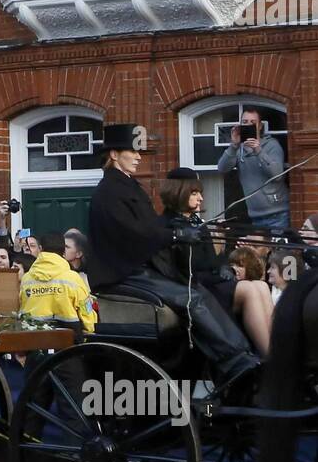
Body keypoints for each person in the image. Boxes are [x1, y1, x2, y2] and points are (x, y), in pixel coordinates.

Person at [87, 123, 260, 390]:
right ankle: (234, 359)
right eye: (132, 151)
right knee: (191, 297)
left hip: (136, 267)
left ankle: (240, 355)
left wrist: (179, 232)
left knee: (196, 290)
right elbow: (137, 234)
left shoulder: (127, 186)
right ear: (113, 155)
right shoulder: (109, 191)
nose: (138, 157)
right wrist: (176, 235)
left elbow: (149, 229)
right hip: (122, 273)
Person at [159, 168, 273, 356]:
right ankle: (268, 356)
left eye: (200, 193)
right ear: (178, 192)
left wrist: (224, 268)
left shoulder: (197, 223)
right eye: (194, 193)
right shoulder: (167, 226)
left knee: (260, 285)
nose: (201, 198)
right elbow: (184, 272)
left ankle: (273, 349)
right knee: (249, 289)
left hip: (211, 284)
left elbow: (211, 261)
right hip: (196, 291)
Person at [217, 108, 290, 233]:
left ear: (260, 126)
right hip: (255, 215)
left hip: (277, 213)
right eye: (245, 122)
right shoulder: (238, 149)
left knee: (278, 251)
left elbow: (277, 175)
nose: (248, 125)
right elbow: (222, 168)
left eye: (252, 122)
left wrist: (259, 151)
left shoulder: (272, 145)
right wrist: (233, 146)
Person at [19, 231, 96, 333]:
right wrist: (89, 332)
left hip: (33, 341)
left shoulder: (26, 279)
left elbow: (22, 309)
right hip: (68, 343)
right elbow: (87, 314)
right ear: (63, 251)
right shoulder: (74, 279)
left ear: (41, 248)